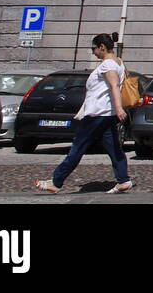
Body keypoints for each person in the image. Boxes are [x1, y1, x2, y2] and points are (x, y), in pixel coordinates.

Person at [34, 33, 133, 194]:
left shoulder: (108, 65)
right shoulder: (118, 62)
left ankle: (56, 181)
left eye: (94, 48)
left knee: (78, 147)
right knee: (114, 148)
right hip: (106, 115)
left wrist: (119, 108)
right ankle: (123, 180)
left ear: (102, 47)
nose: (93, 52)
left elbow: (115, 86)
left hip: (98, 114)